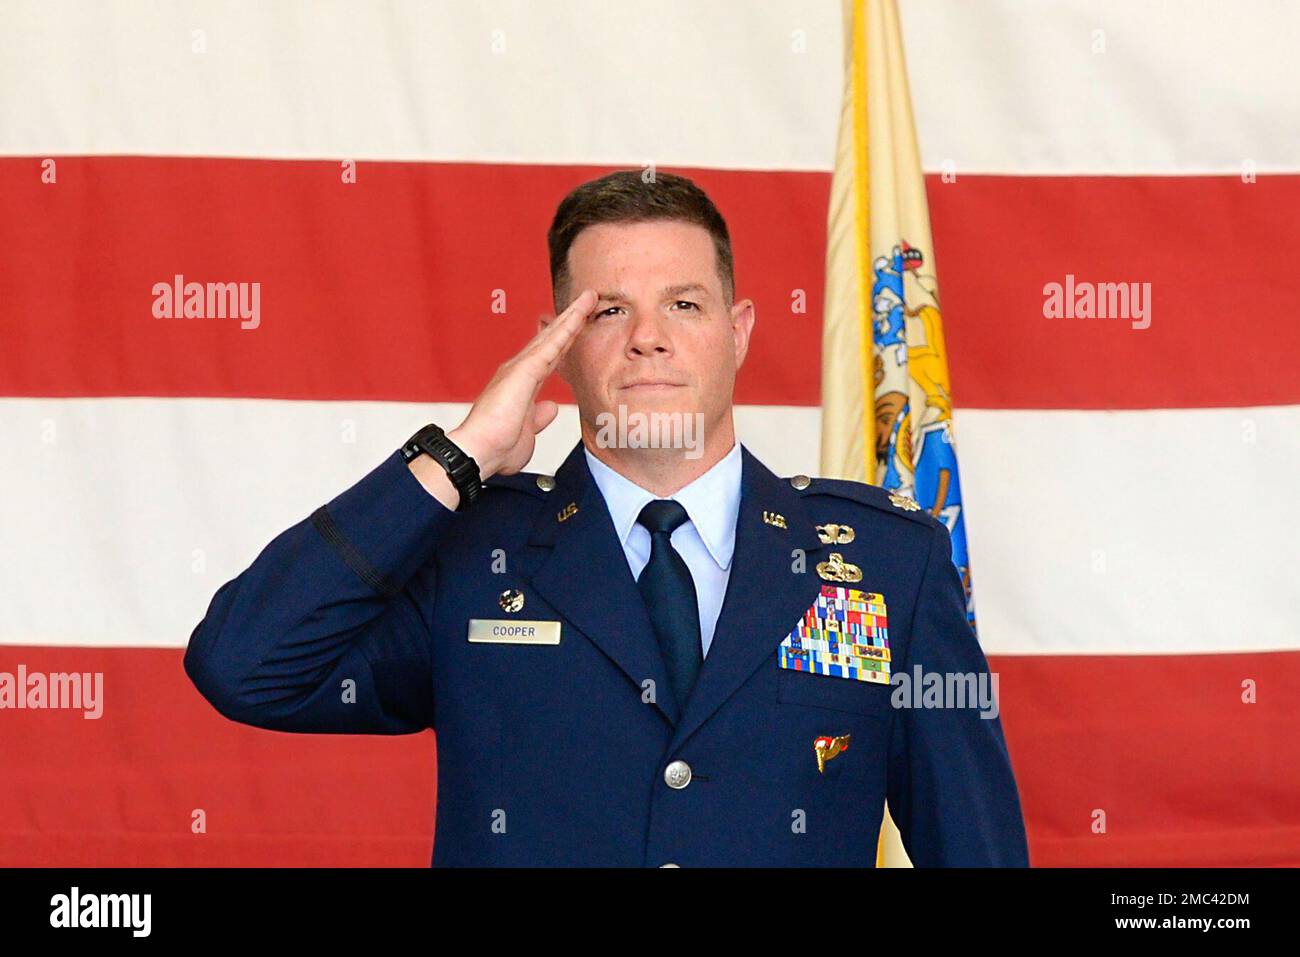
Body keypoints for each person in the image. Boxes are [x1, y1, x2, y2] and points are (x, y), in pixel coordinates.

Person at [184, 170, 1029, 867]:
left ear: (739, 334)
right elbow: (244, 665)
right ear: (554, 342)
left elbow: (978, 852)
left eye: (686, 305)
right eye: (609, 310)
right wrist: (458, 454)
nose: (648, 339)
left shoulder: (890, 565)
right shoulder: (474, 553)